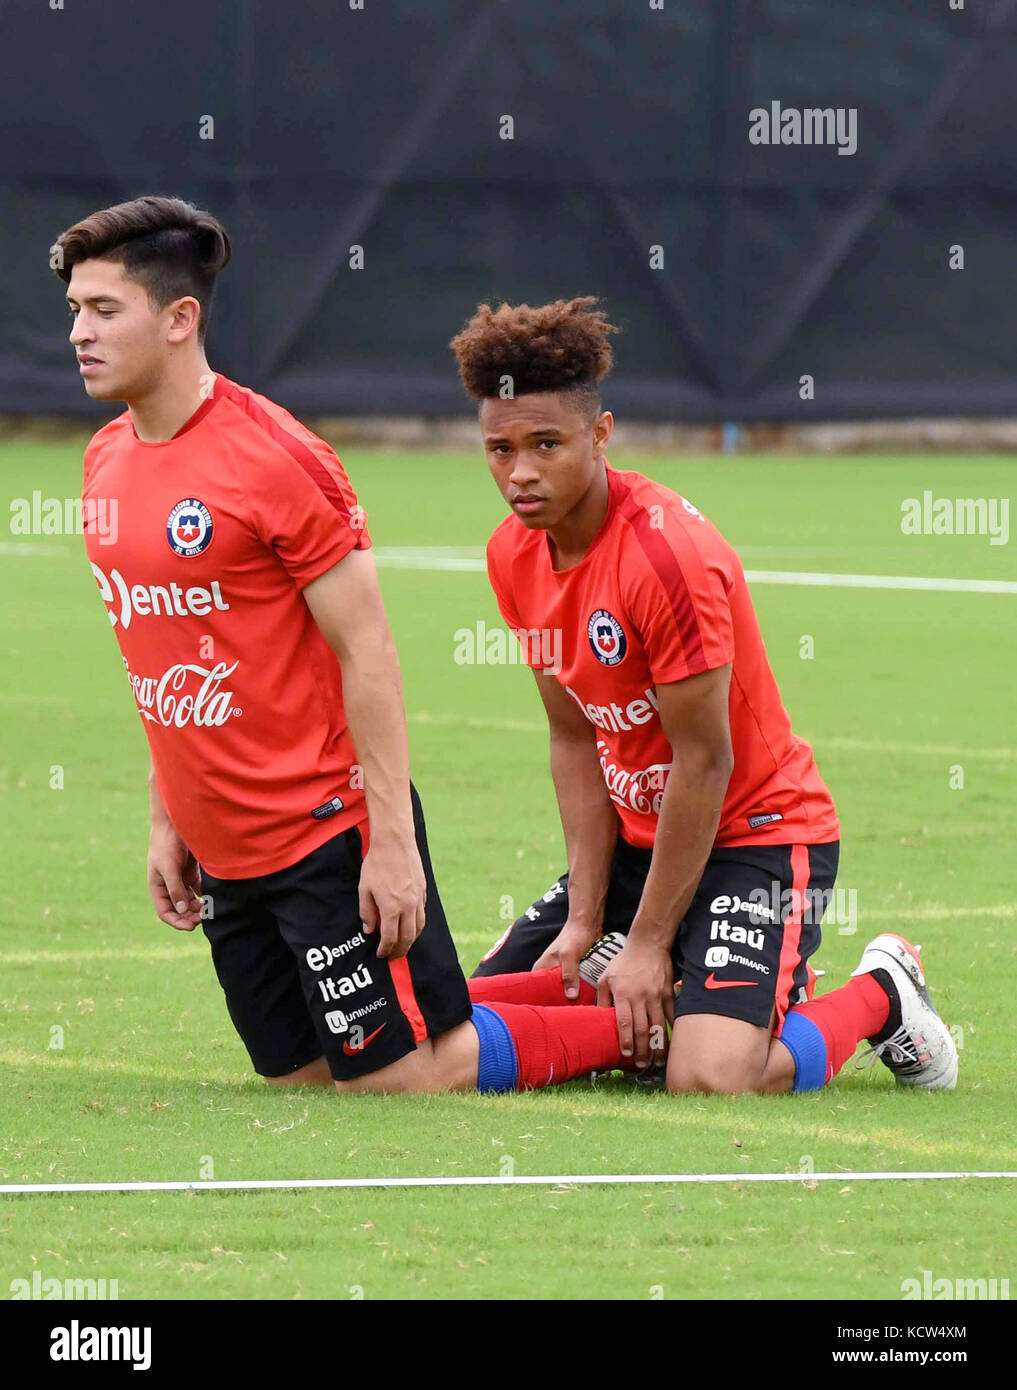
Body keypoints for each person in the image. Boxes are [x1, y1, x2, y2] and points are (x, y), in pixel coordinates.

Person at [54, 196, 632, 1097]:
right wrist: (170, 815)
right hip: (226, 849)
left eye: (103, 310)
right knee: (305, 1079)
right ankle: (602, 996)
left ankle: (645, 1023)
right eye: (74, 313)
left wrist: (390, 842)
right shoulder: (104, 462)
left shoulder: (277, 458)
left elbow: (369, 652)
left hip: (326, 831)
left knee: (397, 1079)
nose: (79, 334)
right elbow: (159, 654)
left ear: (179, 320)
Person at [450, 297, 958, 1095]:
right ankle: (677, 1007)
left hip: (755, 834)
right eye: (499, 448)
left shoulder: (665, 559)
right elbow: (573, 737)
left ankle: (878, 995)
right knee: (457, 1021)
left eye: (546, 444)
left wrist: (647, 941)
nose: (520, 472)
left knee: (713, 1076)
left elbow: (705, 756)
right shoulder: (511, 555)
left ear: (600, 434)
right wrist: (586, 920)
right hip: (636, 843)